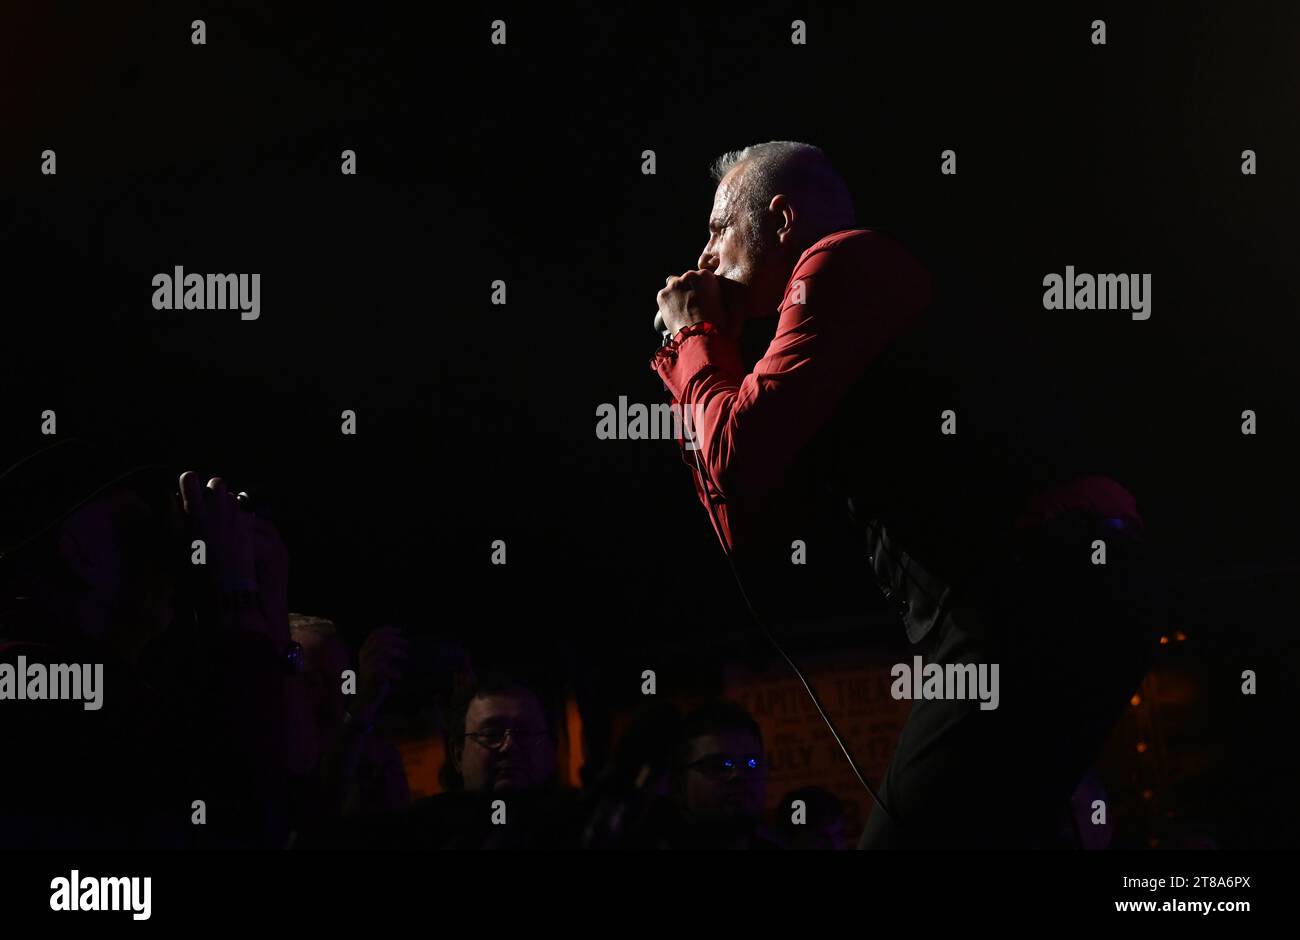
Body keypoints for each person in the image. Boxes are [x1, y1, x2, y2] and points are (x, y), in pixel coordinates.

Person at [649, 141, 1162, 849]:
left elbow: (735, 458)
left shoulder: (843, 264)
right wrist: (705, 353)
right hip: (1041, 598)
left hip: (1039, 588)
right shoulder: (823, 338)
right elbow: (737, 509)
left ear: (782, 217)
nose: (704, 257)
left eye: (717, 229)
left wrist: (694, 336)